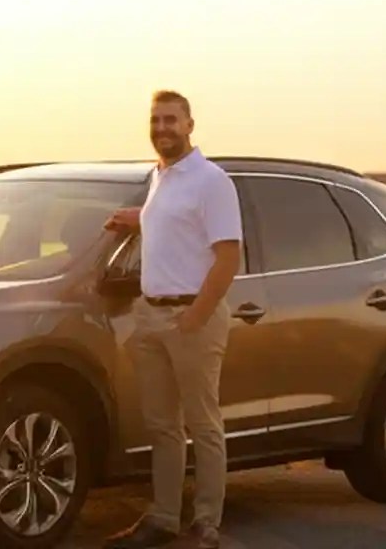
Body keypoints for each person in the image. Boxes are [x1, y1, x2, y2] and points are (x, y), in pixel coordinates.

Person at [102, 90, 243, 549]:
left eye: (171, 120)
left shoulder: (211, 180)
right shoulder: (160, 178)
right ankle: (163, 519)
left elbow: (227, 258)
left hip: (191, 315)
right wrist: (140, 218)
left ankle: (206, 524)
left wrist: (195, 317)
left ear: (189, 124)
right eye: (156, 120)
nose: (162, 128)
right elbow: (177, 227)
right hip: (150, 316)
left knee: (203, 424)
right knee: (162, 426)